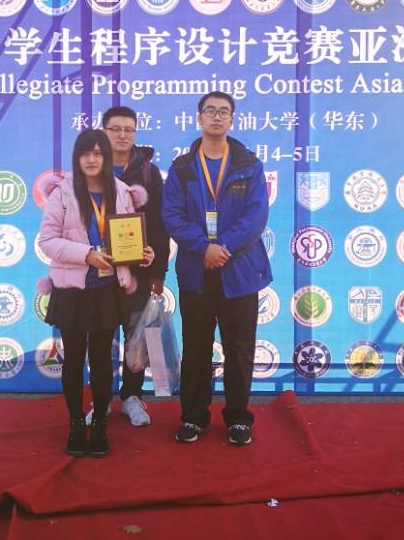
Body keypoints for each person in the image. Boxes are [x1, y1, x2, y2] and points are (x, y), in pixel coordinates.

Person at [162, 92, 272, 446]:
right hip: (197, 271)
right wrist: (203, 247)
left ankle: (238, 418)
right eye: (210, 111)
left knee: (239, 348)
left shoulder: (249, 165)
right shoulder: (182, 167)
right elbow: (172, 215)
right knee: (196, 347)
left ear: (232, 119)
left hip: (239, 271)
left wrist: (222, 248)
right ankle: (193, 417)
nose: (217, 117)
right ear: (199, 118)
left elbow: (255, 217)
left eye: (224, 111)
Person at [37, 129, 154, 458]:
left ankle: (100, 422)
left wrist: (142, 254)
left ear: (106, 157)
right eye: (85, 153)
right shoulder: (62, 193)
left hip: (106, 290)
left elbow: (128, 238)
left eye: (98, 153)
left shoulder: (122, 192)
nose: (91, 159)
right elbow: (47, 241)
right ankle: (76, 423)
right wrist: (86, 254)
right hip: (72, 290)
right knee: (74, 360)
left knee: (103, 360)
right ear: (77, 158)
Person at [89, 106, 170, 427]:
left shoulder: (149, 172)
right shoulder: (91, 167)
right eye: (115, 129)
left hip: (138, 271)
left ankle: (132, 397)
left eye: (129, 129)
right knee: (99, 338)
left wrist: (158, 271)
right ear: (104, 131)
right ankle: (100, 399)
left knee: (137, 337)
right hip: (99, 272)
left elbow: (160, 226)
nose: (122, 135)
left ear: (135, 133)